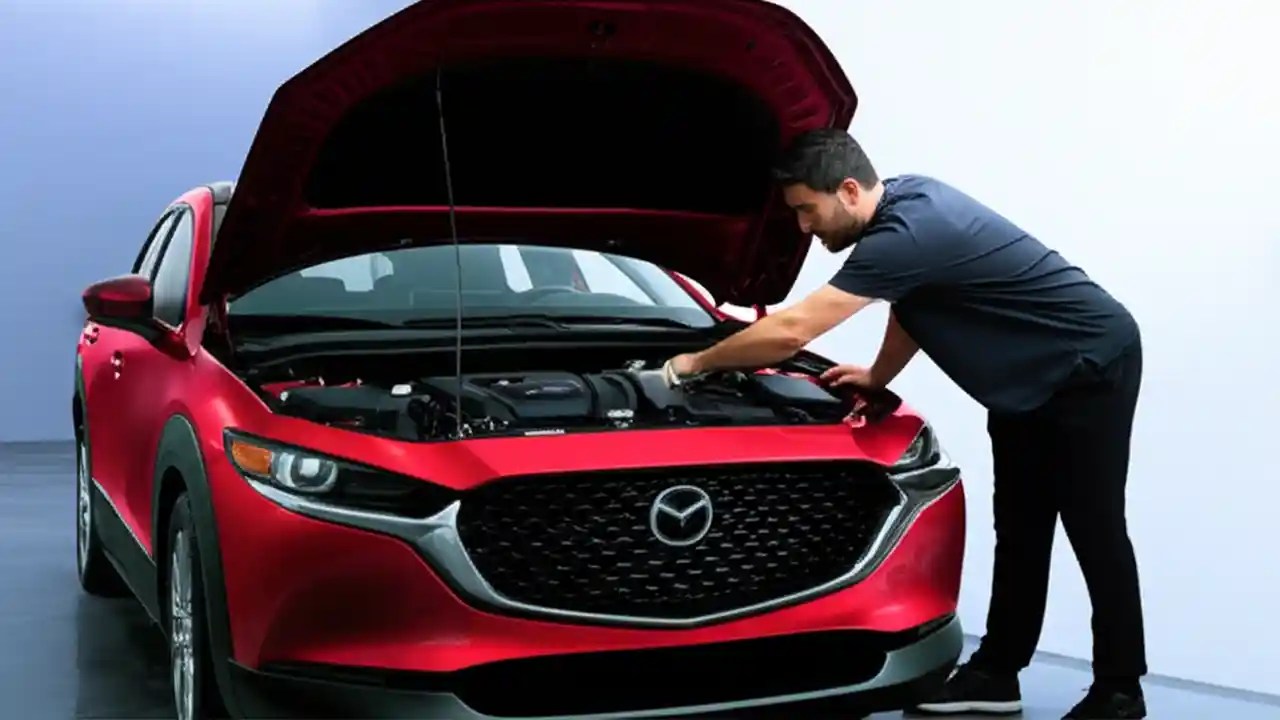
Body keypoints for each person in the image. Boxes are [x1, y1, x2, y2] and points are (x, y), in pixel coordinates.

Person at [662, 129, 1148, 720]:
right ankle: (997, 674)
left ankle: (1121, 691)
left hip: (1090, 363)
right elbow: (914, 302)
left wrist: (694, 364)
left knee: (1093, 526)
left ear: (846, 190)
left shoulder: (909, 232)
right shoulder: (902, 210)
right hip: (1026, 380)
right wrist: (876, 374)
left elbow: (793, 331)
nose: (804, 229)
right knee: (1019, 527)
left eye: (805, 211)